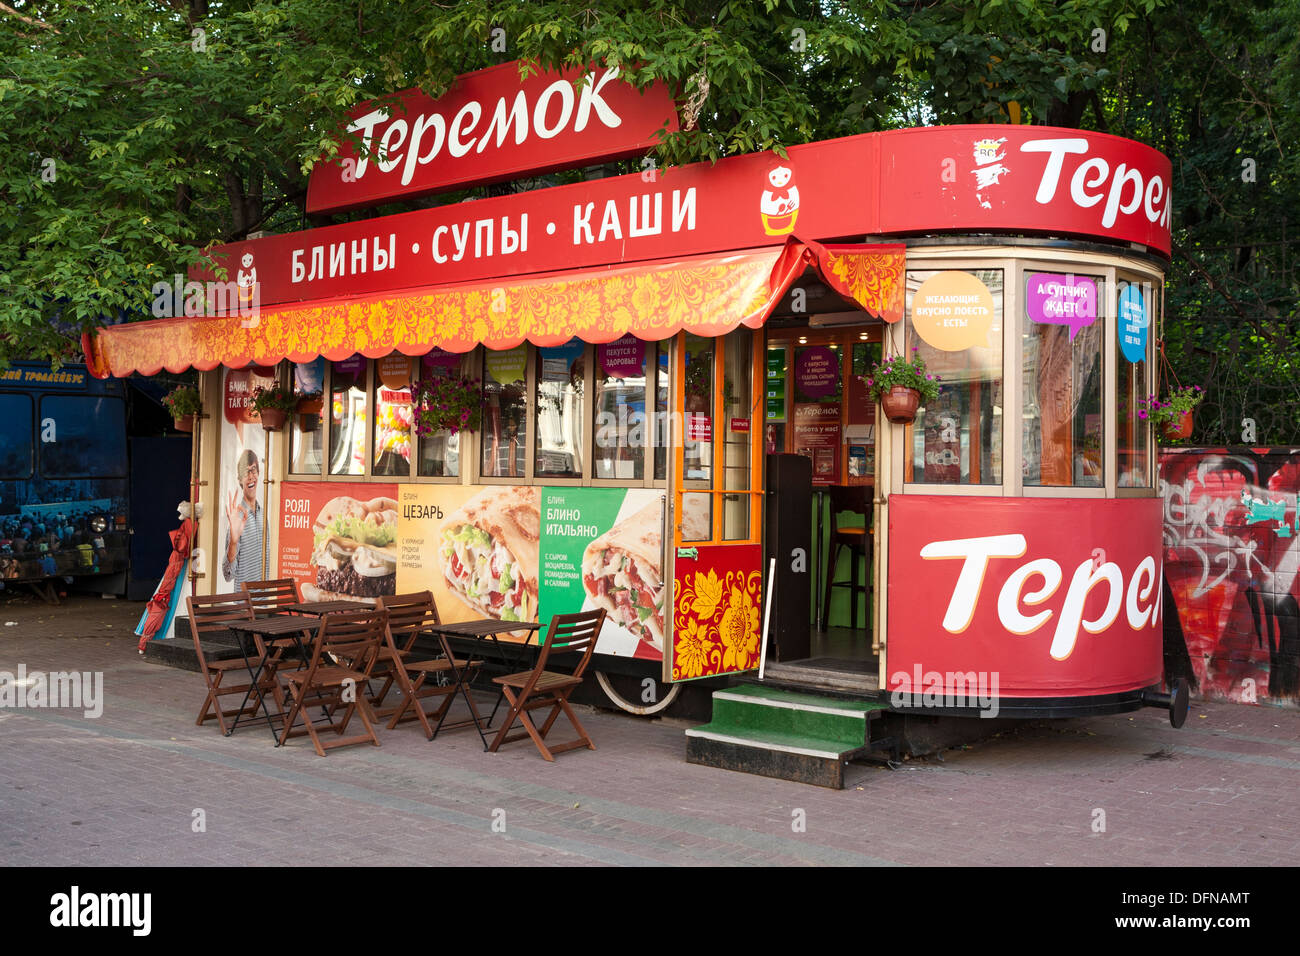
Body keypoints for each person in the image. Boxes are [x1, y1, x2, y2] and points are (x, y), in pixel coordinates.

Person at [222, 448, 264, 587]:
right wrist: (233, 542)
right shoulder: (237, 518)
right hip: (244, 604)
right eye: (246, 472)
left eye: (253, 470)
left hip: (265, 602)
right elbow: (228, 574)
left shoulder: (264, 516)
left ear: (258, 473)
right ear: (240, 479)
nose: (251, 476)